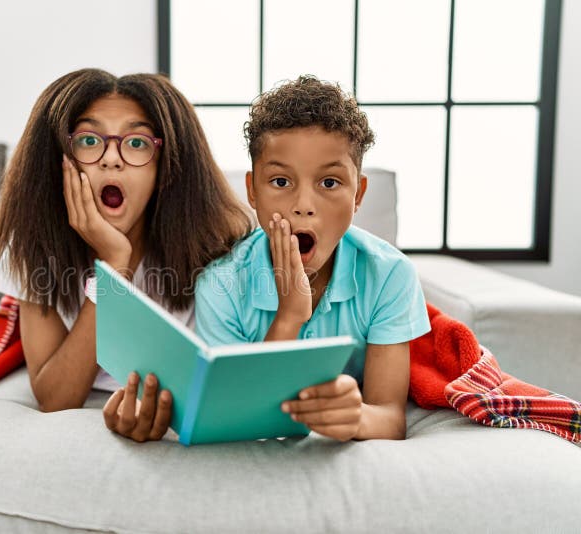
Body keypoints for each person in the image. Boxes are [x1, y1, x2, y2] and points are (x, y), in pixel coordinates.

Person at [107, 75, 430, 442]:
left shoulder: (390, 274)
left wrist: (356, 419)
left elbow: (389, 415)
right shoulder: (221, 284)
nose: (303, 207)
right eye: (280, 182)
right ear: (252, 191)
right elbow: (241, 414)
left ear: (359, 194)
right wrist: (290, 314)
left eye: (329, 183)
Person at [0, 69, 252, 439]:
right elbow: (56, 398)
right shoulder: (35, 242)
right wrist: (113, 265)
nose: (112, 159)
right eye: (90, 140)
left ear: (165, 166)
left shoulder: (219, 242)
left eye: (138, 143)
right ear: (61, 159)